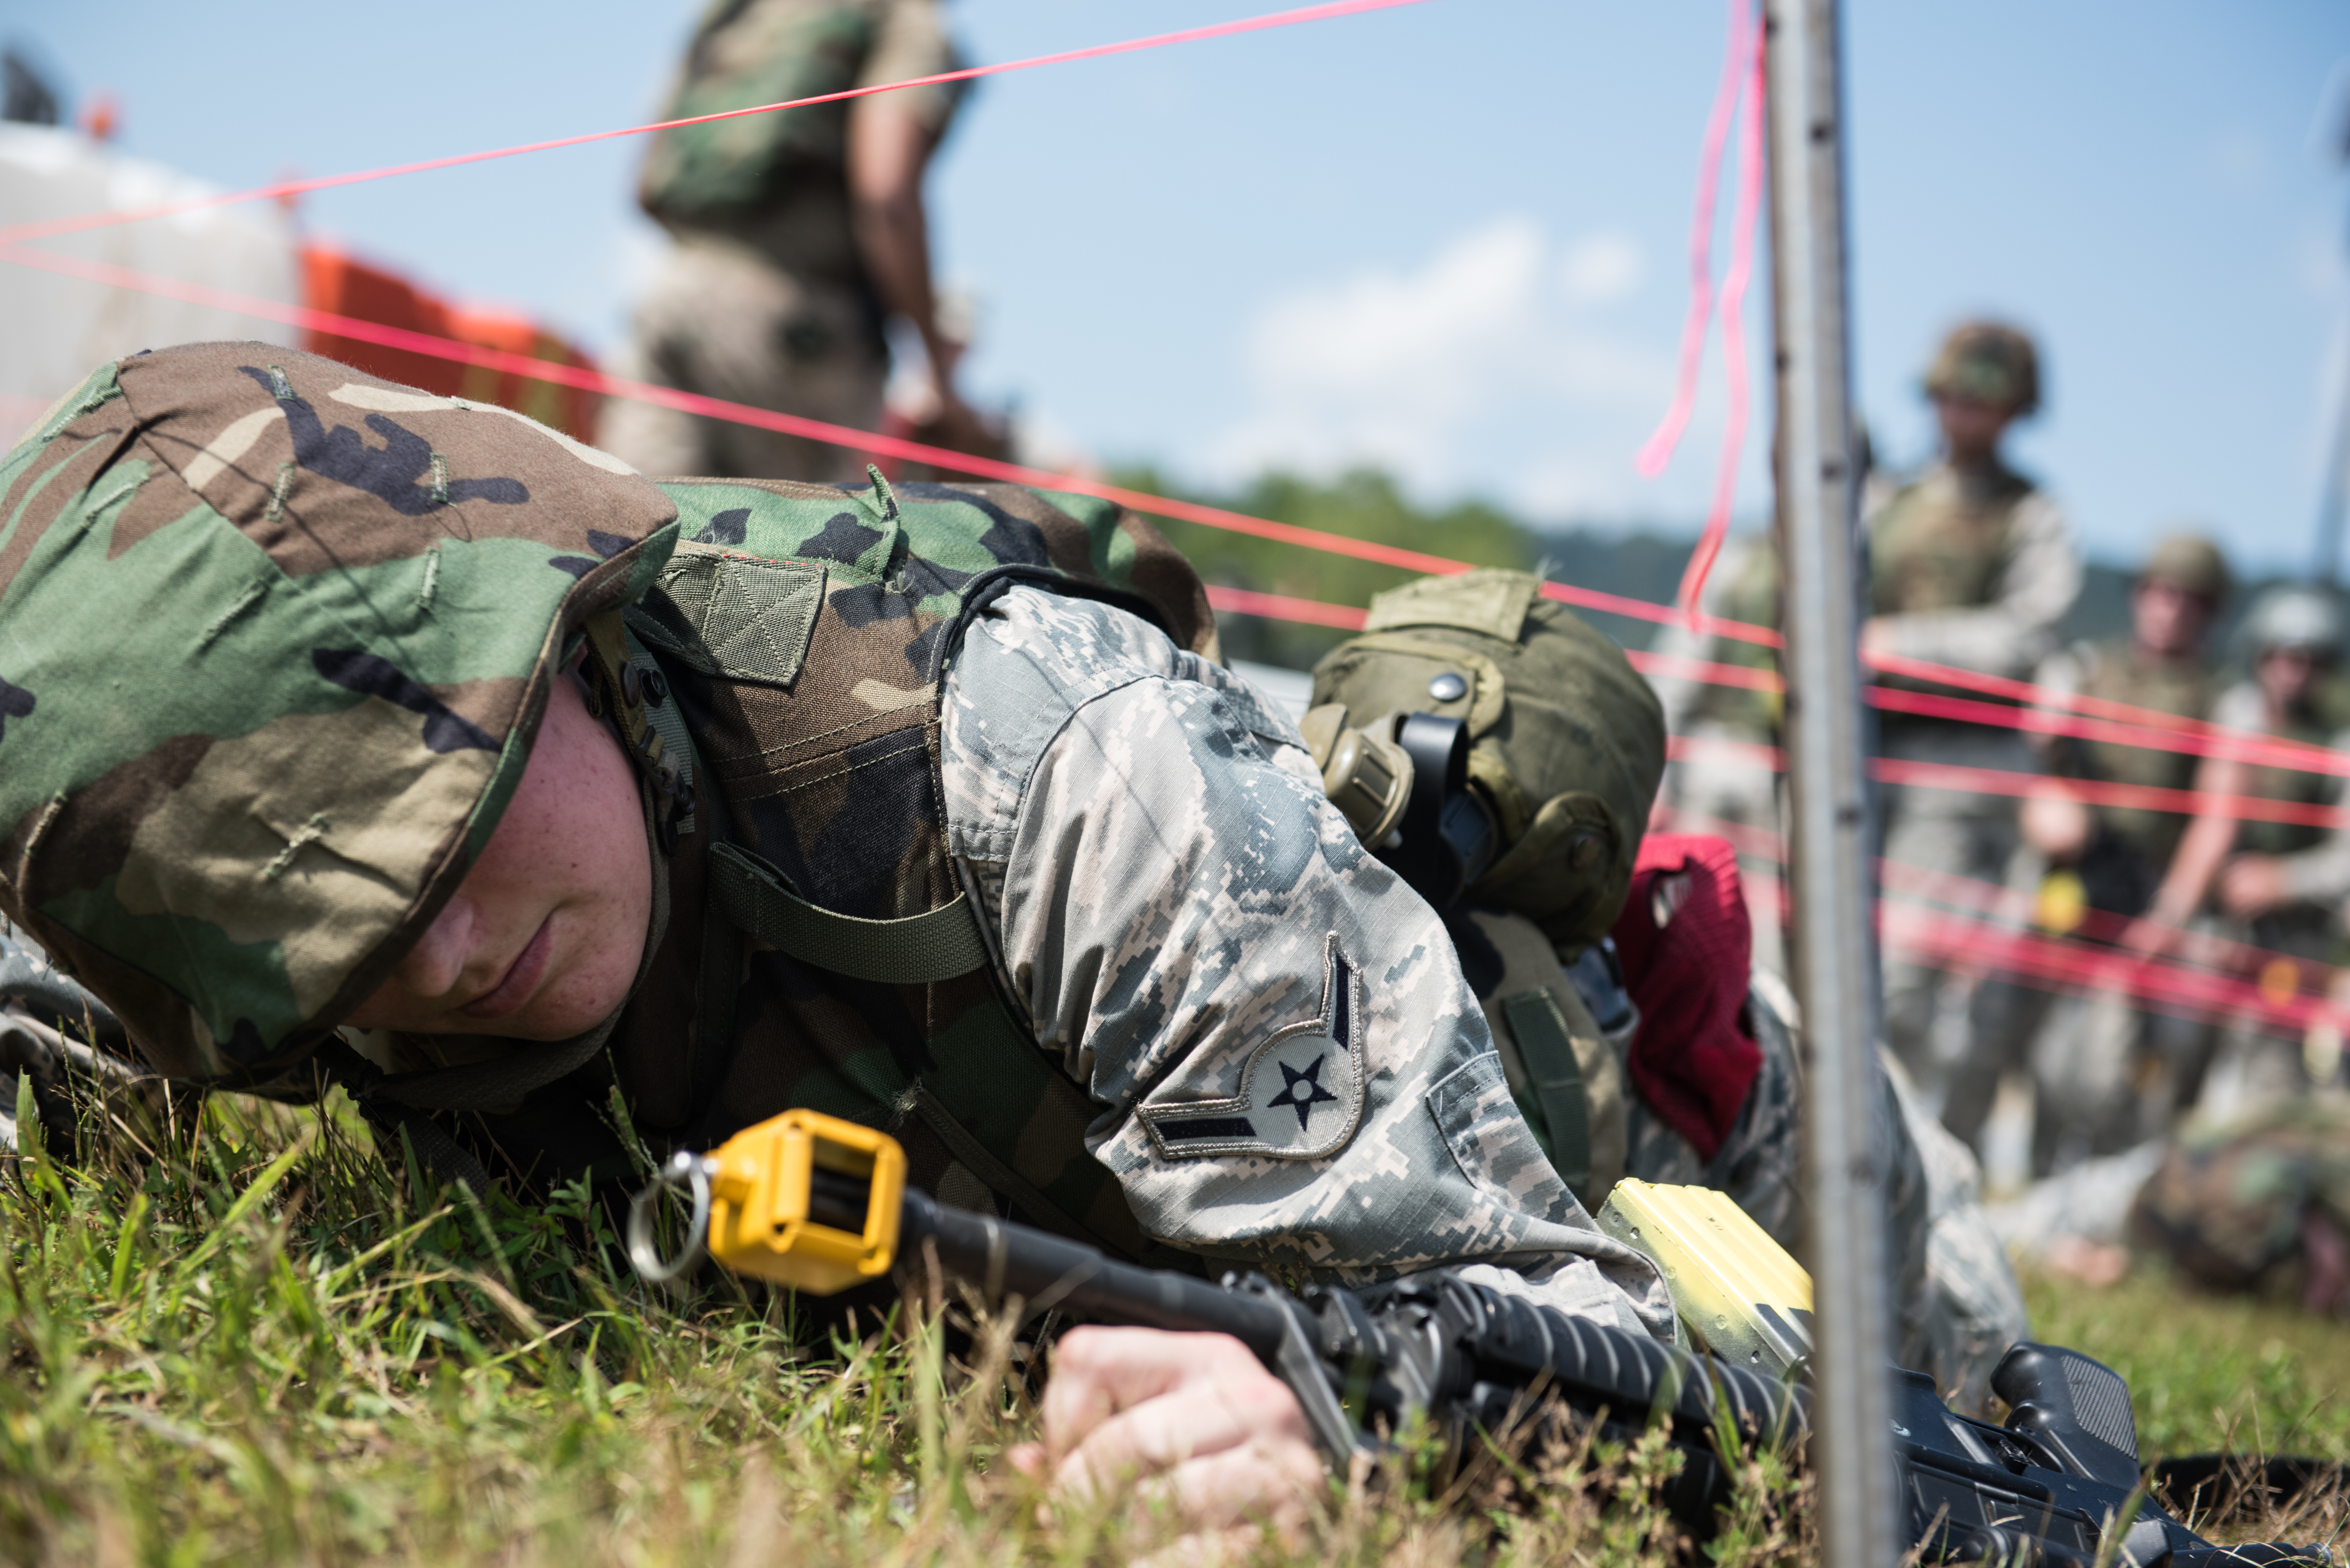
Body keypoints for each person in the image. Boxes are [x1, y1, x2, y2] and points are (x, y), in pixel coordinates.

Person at [0, 340, 1679, 1346]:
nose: (432, 965)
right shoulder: (205, 893)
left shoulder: (1042, 762)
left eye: (434, 846)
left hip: (1639, 1132)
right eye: (324, 944)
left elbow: (1562, 1331)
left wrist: (1320, 1425)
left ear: (569, 644)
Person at [598, 0, 991, 482]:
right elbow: (887, 199)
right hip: (792, 323)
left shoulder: (745, 12)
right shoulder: (906, 20)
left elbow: (645, 189)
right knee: (788, 548)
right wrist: (941, 379)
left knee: (637, 532)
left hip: (669, 294)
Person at [1944, 533, 2231, 1172]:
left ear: (2209, 612)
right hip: (2049, 883)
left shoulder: (2216, 701)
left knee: (2087, 1072)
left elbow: (2215, 820)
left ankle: (2057, 1198)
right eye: (2159, 593)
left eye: (2187, 599)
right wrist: (2043, 794)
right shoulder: (2084, 670)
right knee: (1985, 1033)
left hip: (2134, 900)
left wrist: (2167, 918)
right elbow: (2028, 753)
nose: (2169, 610)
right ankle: (1949, 1169)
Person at [1863, 321, 2082, 1107]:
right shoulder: (1888, 499)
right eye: (1953, 396)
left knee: (1914, 990)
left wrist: (1901, 644)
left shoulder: (2031, 514)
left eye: (1983, 401)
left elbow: (2029, 634)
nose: (1963, 415)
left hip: (1961, 771)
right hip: (1862, 754)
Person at [2127, 585, 2350, 1112]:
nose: (2294, 671)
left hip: (2292, 940)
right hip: (2210, 929)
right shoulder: (2232, 716)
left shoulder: (2338, 745)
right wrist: (2171, 914)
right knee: (2170, 1068)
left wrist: (2284, 880)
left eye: (2309, 660)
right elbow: (2205, 823)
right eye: (2282, 656)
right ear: (2260, 656)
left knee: (2270, 1085)